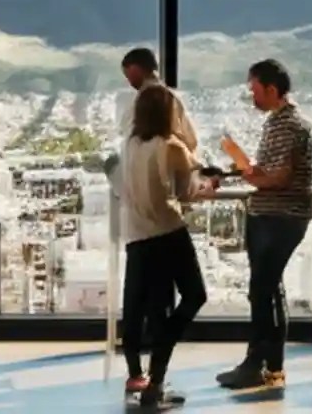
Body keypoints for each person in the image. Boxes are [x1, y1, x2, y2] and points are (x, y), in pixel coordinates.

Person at [216, 59, 312, 391]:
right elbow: (270, 171)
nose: (252, 98)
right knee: (269, 290)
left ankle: (256, 364)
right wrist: (248, 170)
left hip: (280, 217)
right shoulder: (278, 123)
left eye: (255, 91)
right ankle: (271, 367)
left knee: (262, 291)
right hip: (274, 215)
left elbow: (278, 176)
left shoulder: (289, 125)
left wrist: (251, 175)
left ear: (272, 90)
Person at [119, 85, 217, 407]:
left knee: (149, 307)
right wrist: (210, 184)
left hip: (138, 237)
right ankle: (157, 376)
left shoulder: (131, 144)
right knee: (194, 296)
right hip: (168, 234)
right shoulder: (172, 146)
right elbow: (188, 192)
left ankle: (151, 381)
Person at [117, 47, 197, 151]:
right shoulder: (172, 97)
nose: (129, 82)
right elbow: (192, 140)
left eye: (128, 75)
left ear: (135, 69)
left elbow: (127, 133)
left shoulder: (143, 100)